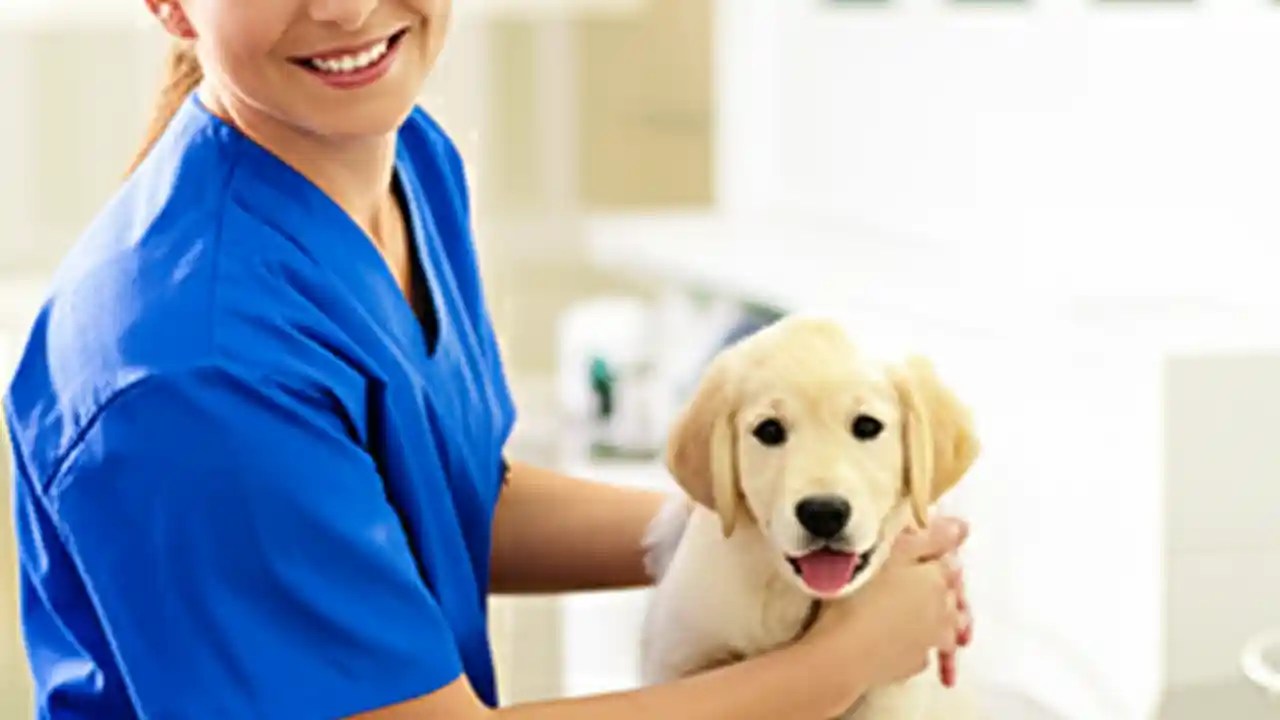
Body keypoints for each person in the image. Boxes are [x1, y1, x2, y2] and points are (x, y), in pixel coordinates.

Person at [1, 0, 973, 718]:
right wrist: (835, 664)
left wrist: (773, 530)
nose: (342, 8)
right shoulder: (195, 372)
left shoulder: (401, 157)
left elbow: (439, 495)